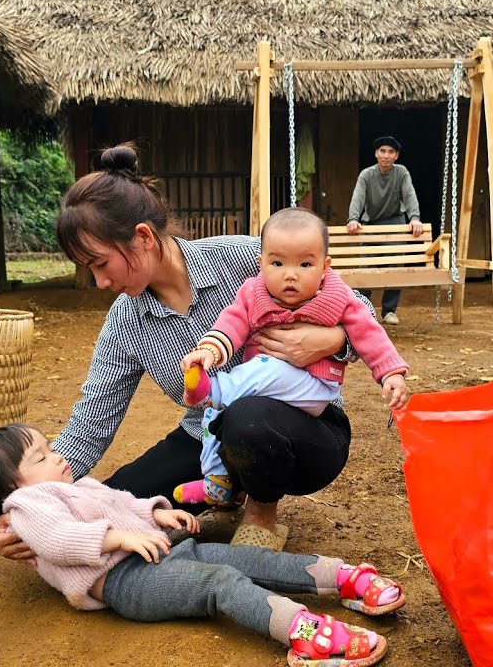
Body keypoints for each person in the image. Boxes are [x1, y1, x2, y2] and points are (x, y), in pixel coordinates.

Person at [0, 143, 369, 557]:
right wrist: (30, 508)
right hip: (206, 440)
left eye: (101, 264)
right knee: (117, 503)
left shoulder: (243, 258)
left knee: (246, 417)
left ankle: (261, 514)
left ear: (143, 238)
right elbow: (89, 427)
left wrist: (333, 340)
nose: (99, 282)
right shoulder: (126, 321)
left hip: (307, 432)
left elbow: (360, 309)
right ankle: (228, 486)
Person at [0, 424, 406, 667]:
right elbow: (60, 538)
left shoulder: (70, 484)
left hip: (162, 549)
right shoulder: (26, 505)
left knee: (249, 558)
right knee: (221, 582)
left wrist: (155, 513)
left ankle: (339, 576)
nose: (60, 456)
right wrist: (119, 537)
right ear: (10, 487)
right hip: (124, 581)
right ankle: (304, 634)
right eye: (43, 457)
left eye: (52, 448)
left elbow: (119, 499)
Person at [173, 207, 411, 508]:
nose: (290, 274)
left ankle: (214, 389)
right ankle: (216, 482)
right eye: (277, 262)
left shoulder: (338, 297)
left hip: (312, 387)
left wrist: (391, 373)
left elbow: (368, 332)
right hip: (264, 396)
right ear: (261, 264)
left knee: (263, 368)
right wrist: (210, 349)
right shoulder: (252, 293)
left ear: (325, 266)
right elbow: (231, 323)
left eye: (305, 264)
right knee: (213, 416)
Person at [345, 136, 424, 326]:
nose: (386, 156)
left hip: (395, 220)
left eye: (390, 152)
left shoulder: (401, 173)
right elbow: (358, 197)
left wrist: (414, 218)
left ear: (396, 156)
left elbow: (410, 194)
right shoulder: (366, 175)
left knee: (396, 265)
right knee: (367, 267)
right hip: (370, 223)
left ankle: (389, 311)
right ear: (376, 154)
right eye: (382, 151)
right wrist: (353, 219)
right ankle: (365, 310)